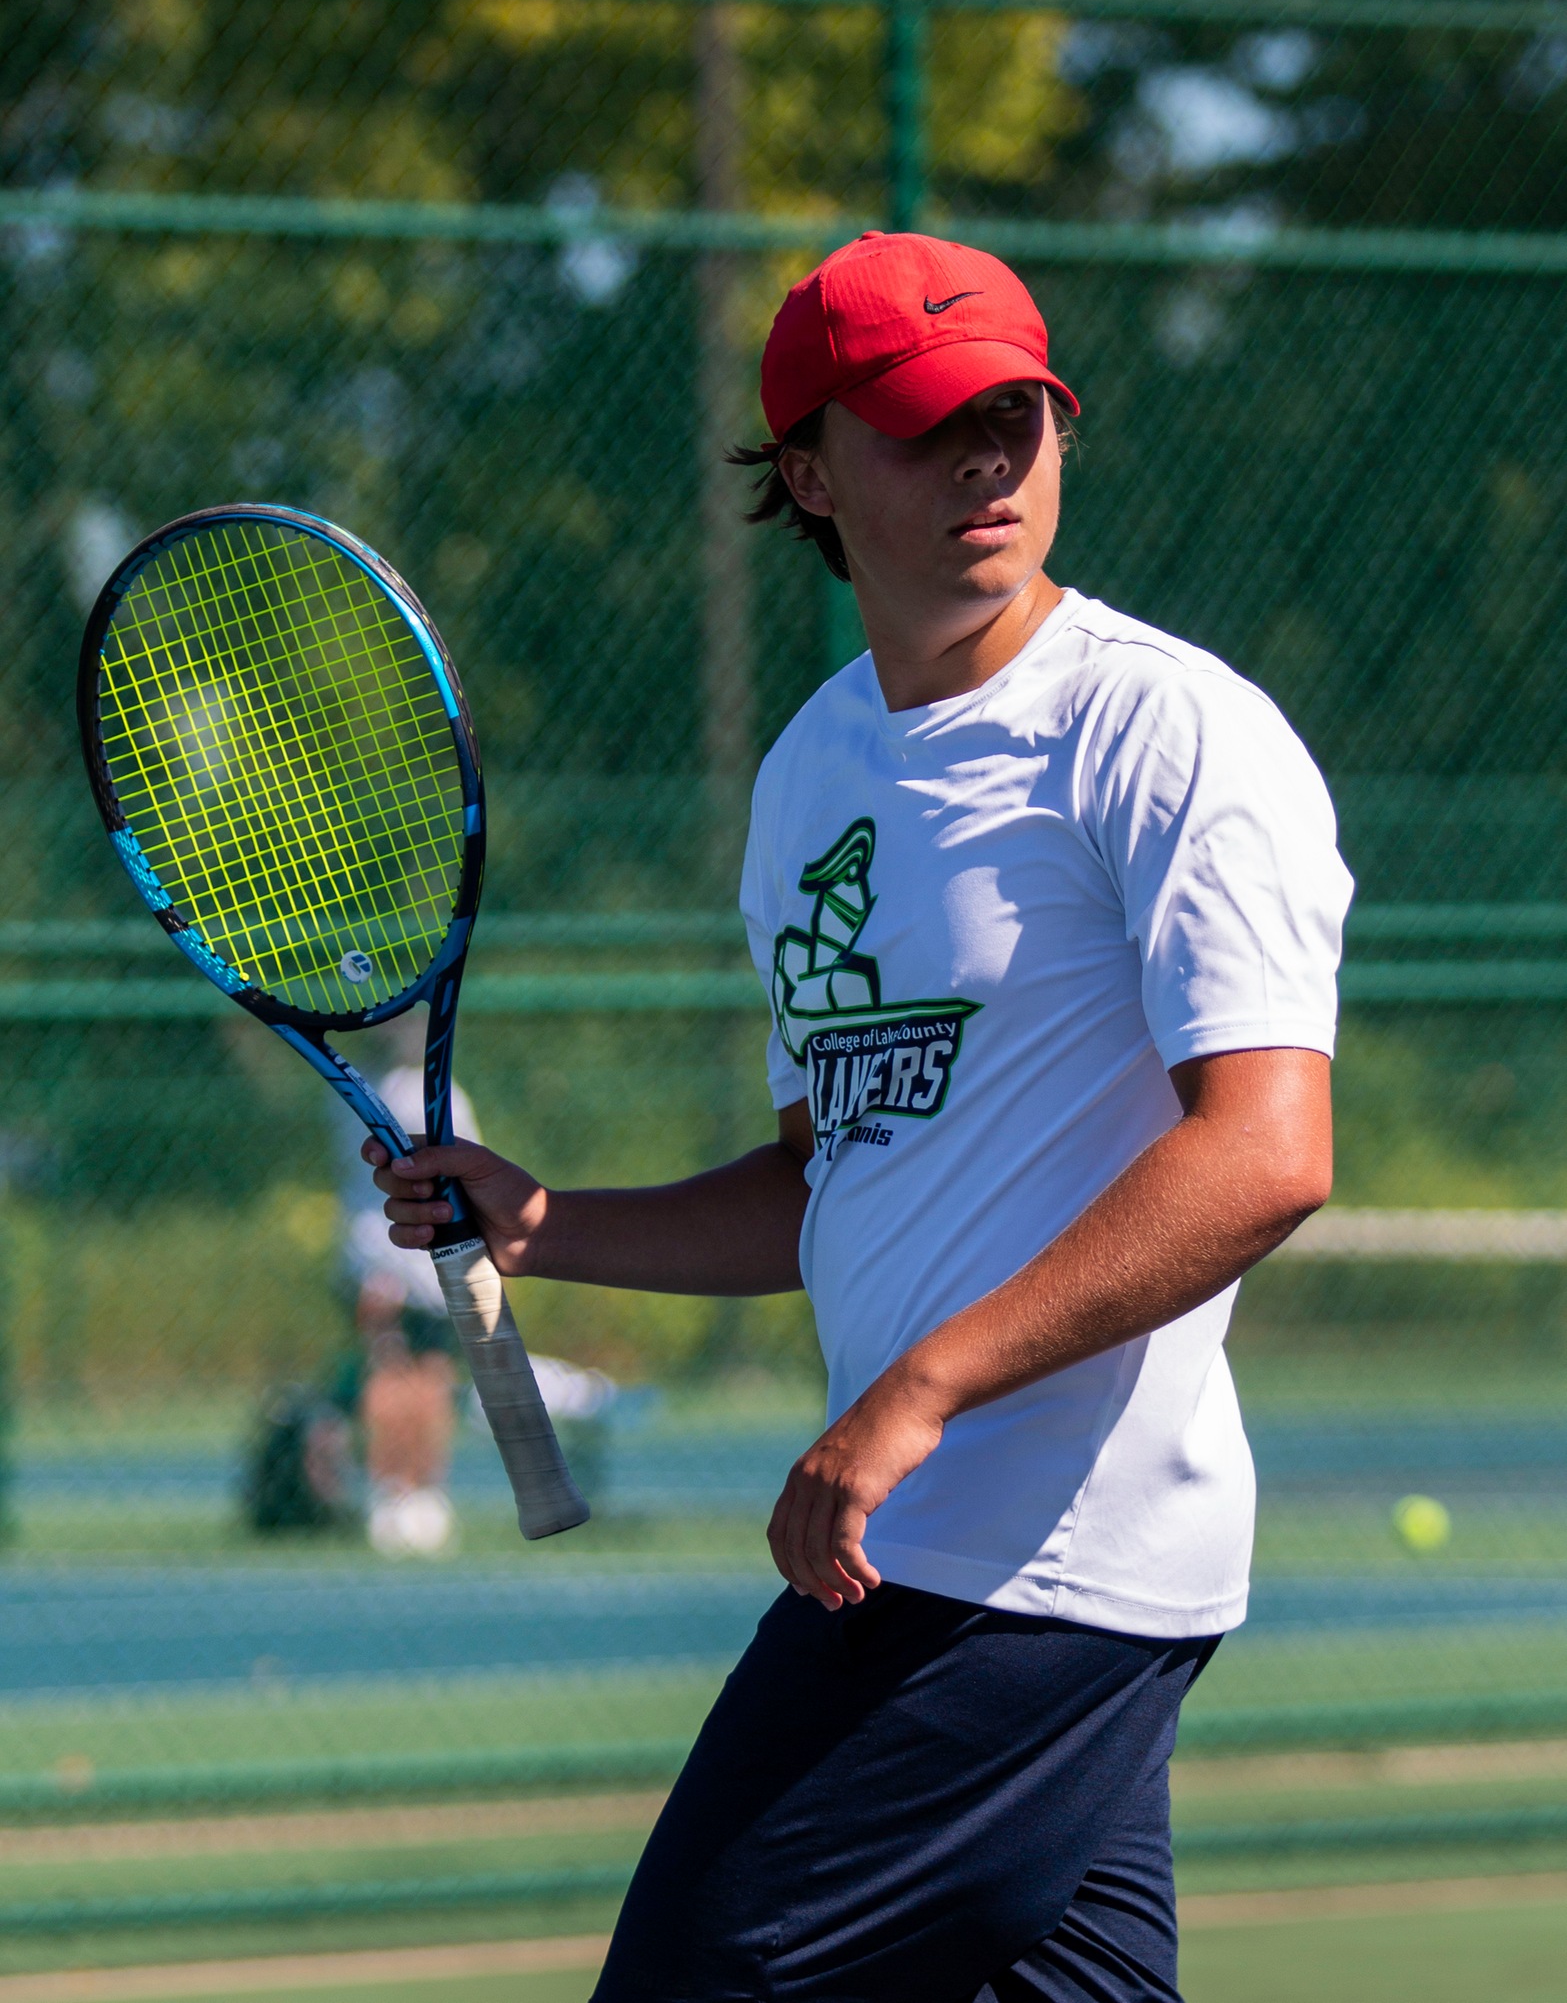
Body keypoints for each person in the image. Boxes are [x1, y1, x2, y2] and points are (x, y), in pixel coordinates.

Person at [366, 231, 1351, 2001]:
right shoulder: (813, 771)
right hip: (948, 1550)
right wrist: (550, 1223)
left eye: (1012, 416)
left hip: (1022, 1563)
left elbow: (1264, 1153)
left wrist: (917, 1391)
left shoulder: (1165, 733)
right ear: (809, 474)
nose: (985, 461)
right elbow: (834, 1174)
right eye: (923, 426)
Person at [336, 1020, 479, 1556]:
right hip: (382, 1258)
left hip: (434, 1259)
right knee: (389, 1377)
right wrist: (380, 1270)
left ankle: (424, 1493)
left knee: (432, 1379)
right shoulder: (368, 1091)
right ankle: (390, 1492)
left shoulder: (435, 1093)